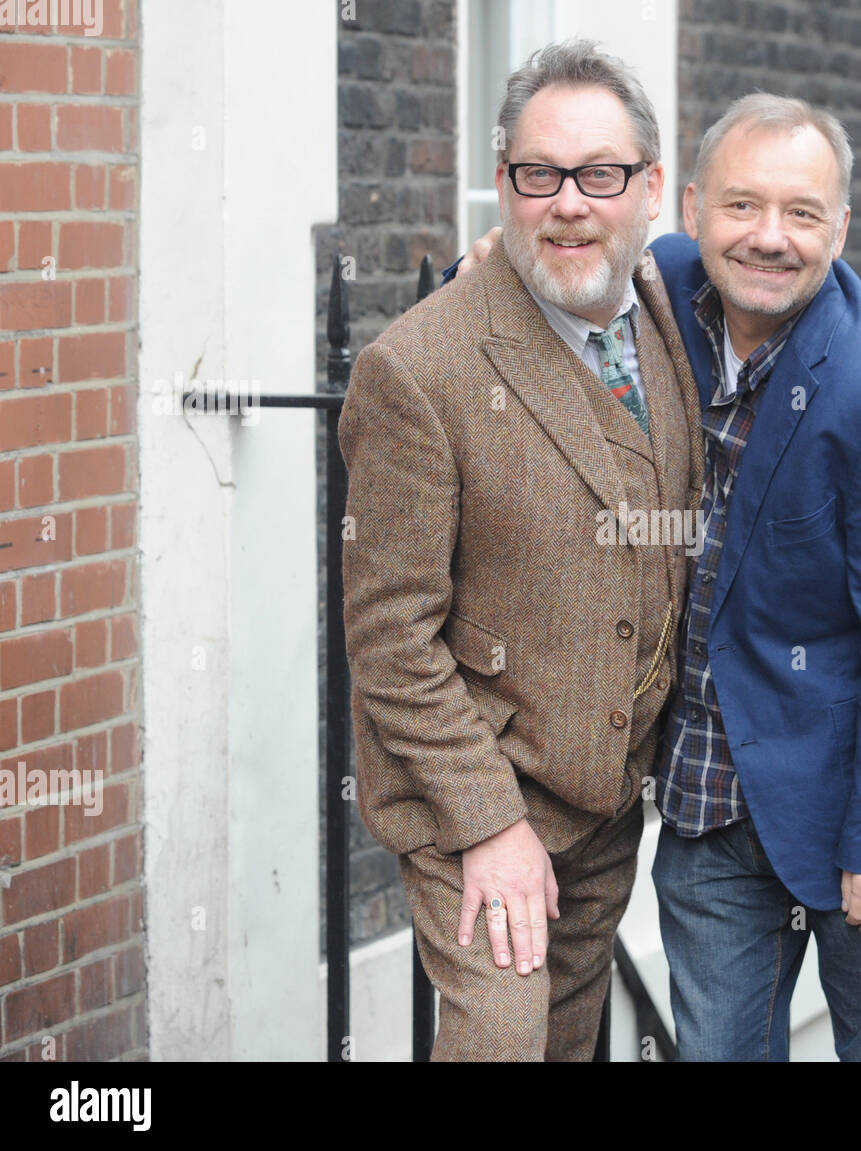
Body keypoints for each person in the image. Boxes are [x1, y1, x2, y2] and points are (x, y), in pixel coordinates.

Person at [451, 94, 861, 1062]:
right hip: (705, 804)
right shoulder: (668, 293)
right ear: (688, 208)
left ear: (841, 228)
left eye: (802, 213)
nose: (769, 238)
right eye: (742, 206)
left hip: (856, 800)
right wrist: (483, 264)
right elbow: (561, 261)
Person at [337, 39, 703, 1061]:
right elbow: (387, 635)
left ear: (651, 188)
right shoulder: (415, 370)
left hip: (605, 794)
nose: (569, 203)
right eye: (537, 175)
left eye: (600, 174)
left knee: (563, 1045)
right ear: (503, 184)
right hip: (479, 796)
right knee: (499, 1042)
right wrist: (490, 824)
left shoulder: (671, 307)